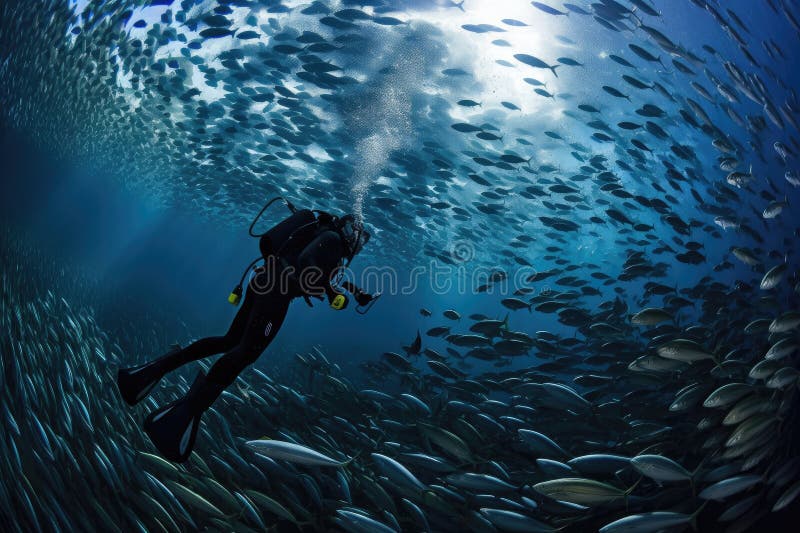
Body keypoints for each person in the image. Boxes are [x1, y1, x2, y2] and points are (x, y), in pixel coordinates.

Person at [116, 203, 377, 462]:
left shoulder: (325, 237)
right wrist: (332, 294)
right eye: (361, 239)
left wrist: (356, 293)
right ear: (351, 231)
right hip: (276, 294)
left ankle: (150, 371)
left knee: (230, 340)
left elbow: (323, 270)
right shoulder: (332, 239)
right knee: (245, 352)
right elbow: (307, 261)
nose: (360, 246)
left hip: (262, 282)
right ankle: (183, 415)